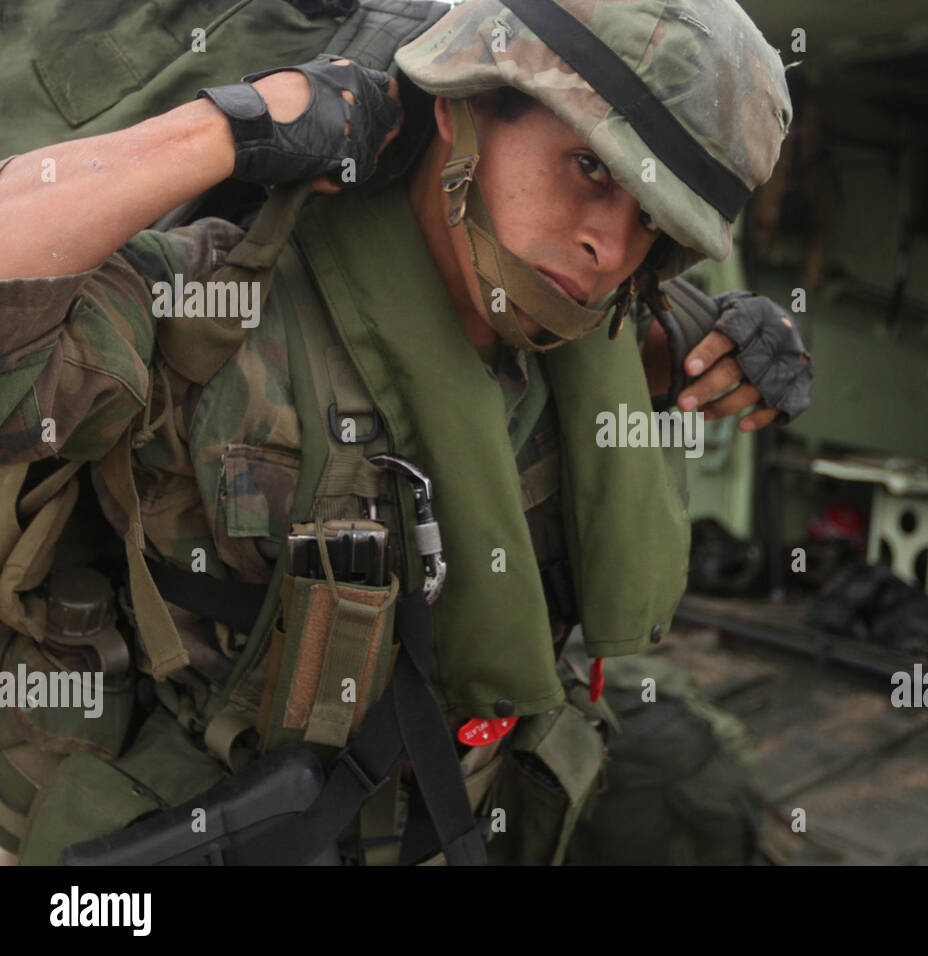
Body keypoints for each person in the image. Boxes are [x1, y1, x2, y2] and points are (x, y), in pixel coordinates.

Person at [0, 0, 811, 865]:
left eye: (653, 221)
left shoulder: (601, 356)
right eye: (589, 167)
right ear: (467, 106)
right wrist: (229, 130)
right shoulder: (220, 306)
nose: (607, 246)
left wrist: (734, 350)